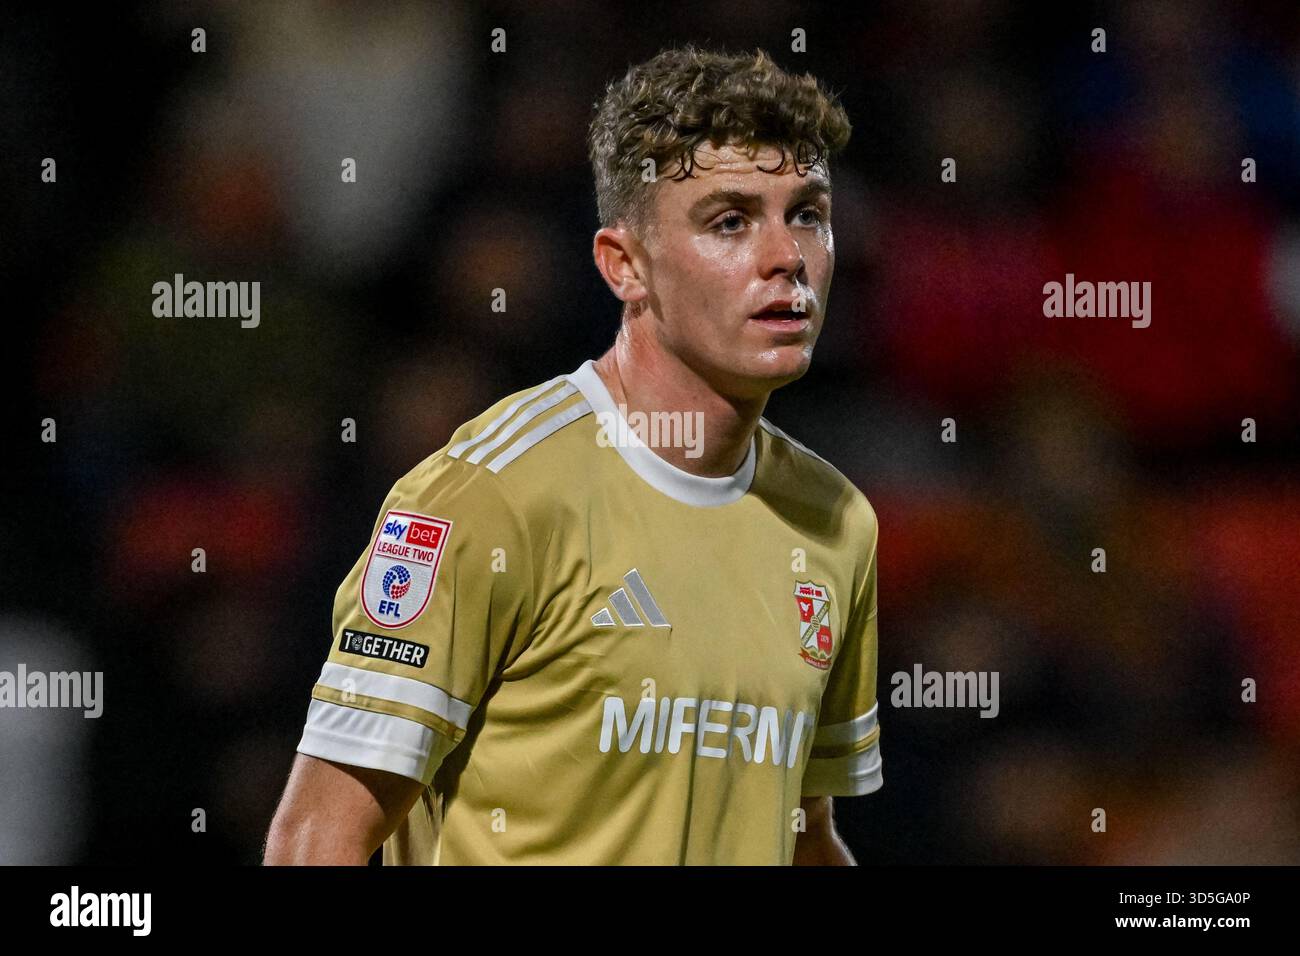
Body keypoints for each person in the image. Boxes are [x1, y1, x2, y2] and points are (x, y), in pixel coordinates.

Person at [265, 44, 881, 865]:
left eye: (806, 213)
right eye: (730, 220)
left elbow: (803, 835)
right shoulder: (487, 498)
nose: (787, 259)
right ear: (624, 266)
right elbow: (317, 838)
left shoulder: (835, 523)